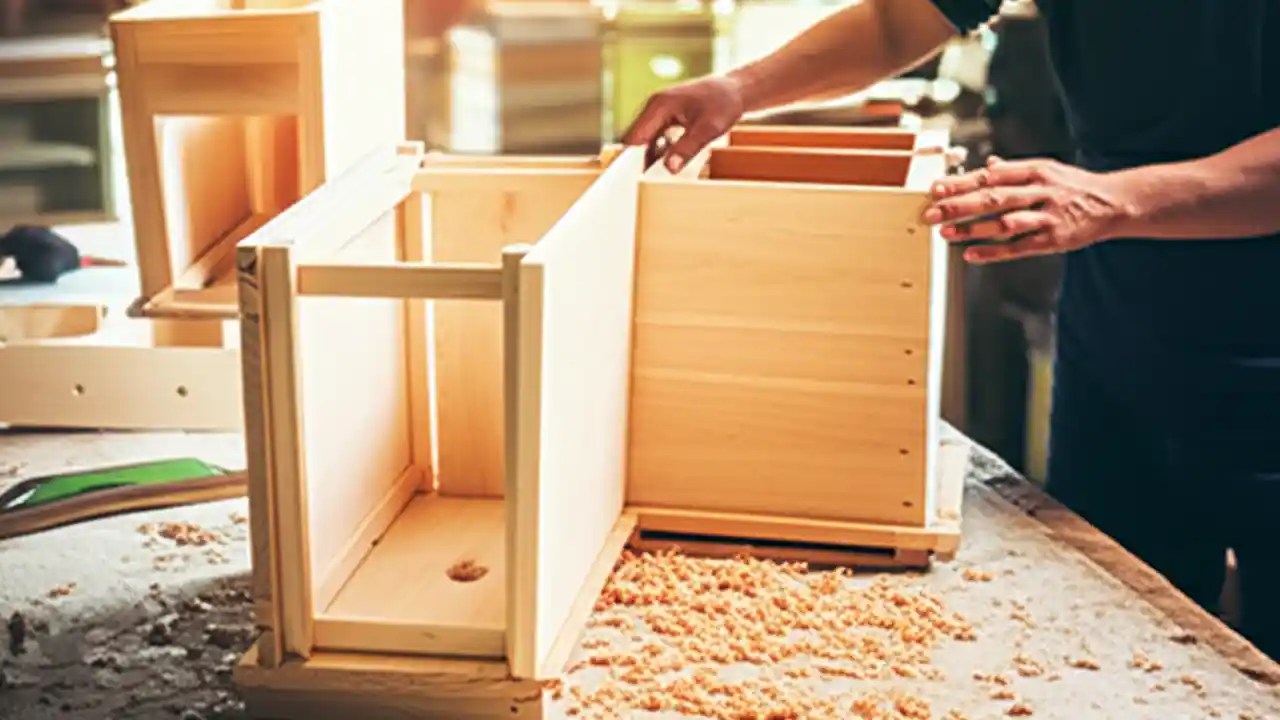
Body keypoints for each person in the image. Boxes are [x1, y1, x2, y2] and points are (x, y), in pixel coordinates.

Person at [623, 0, 1280, 659]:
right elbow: (897, 23)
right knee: (1114, 647)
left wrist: (1118, 197)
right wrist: (740, 89)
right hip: (1119, 341)